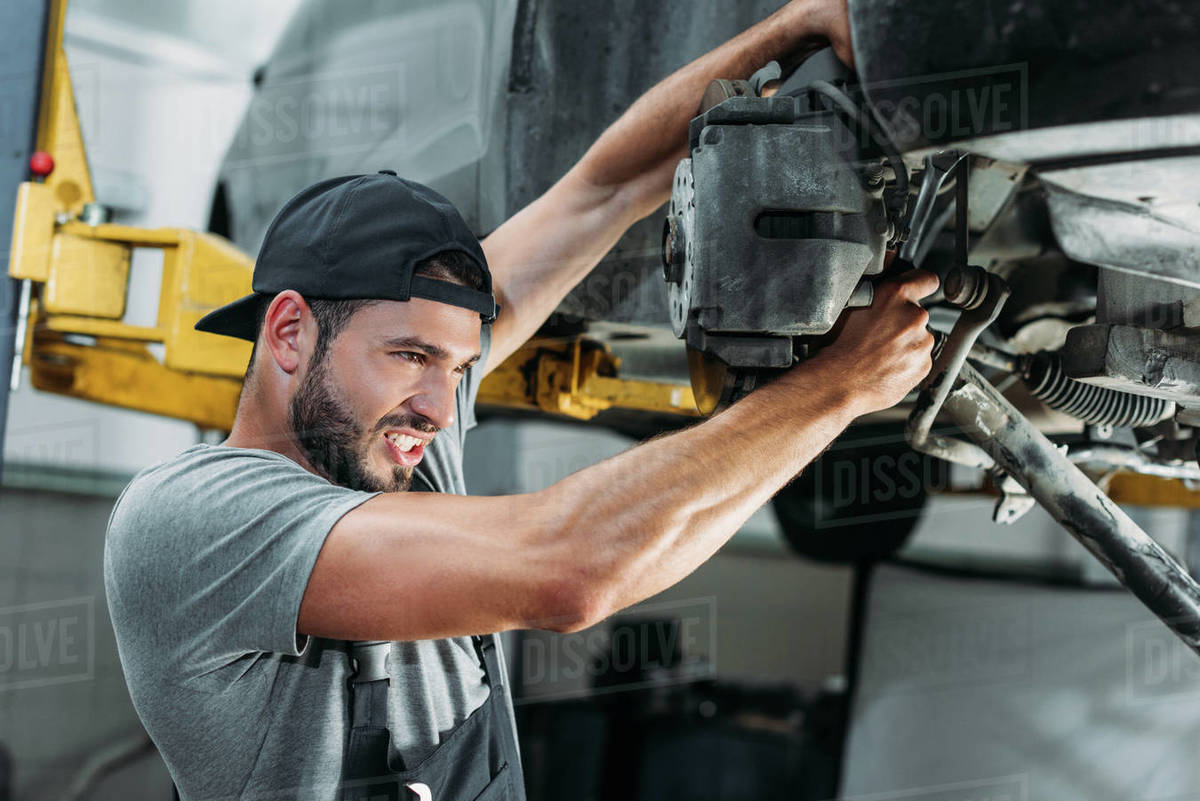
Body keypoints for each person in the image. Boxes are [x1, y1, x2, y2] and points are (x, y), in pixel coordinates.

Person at [104, 1, 936, 798]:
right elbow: (572, 571)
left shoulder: (384, 453)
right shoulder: (189, 520)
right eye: (411, 356)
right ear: (288, 332)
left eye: (461, 368)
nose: (441, 408)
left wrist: (792, 29)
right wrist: (837, 388)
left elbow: (606, 189)